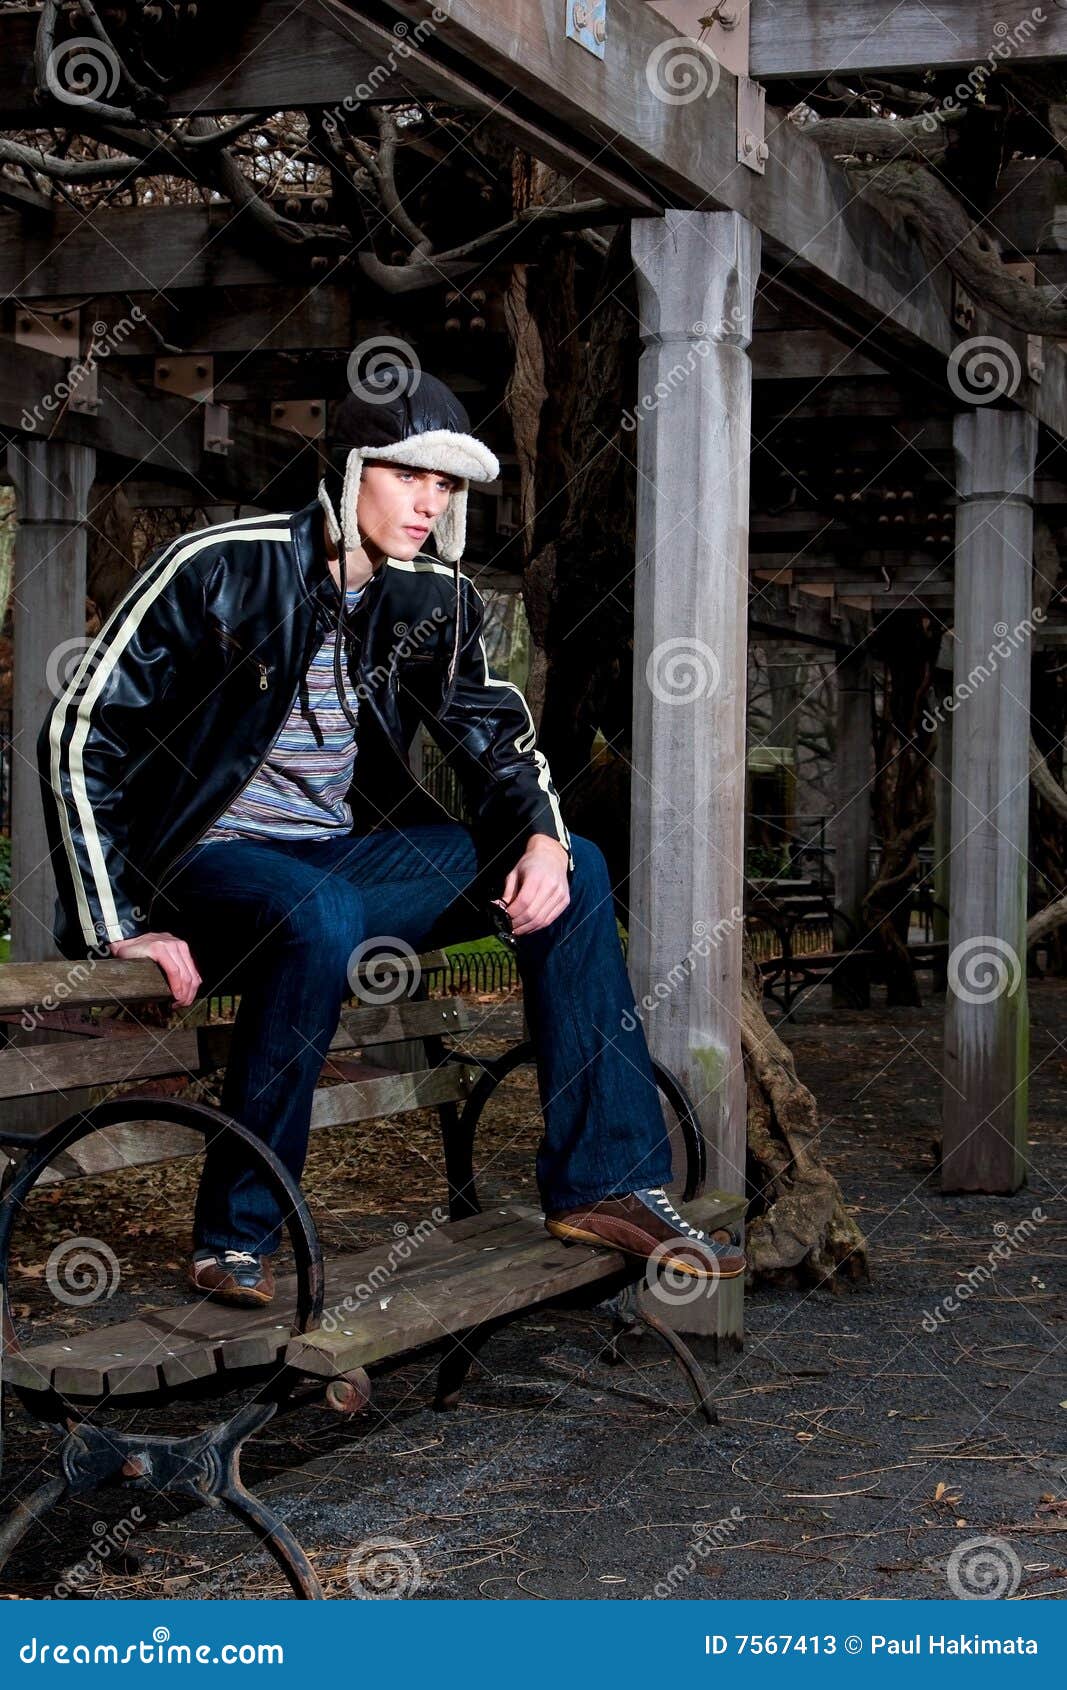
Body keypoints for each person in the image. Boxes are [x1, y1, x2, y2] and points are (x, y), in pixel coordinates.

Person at [38, 365, 745, 1307]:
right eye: (408, 475)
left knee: (576, 864)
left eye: (444, 485)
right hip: (209, 871)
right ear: (348, 468)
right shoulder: (220, 564)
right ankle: (237, 1233)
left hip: (335, 868)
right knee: (320, 909)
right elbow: (82, 731)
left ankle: (605, 1182)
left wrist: (539, 840)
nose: (428, 503)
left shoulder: (430, 599)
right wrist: (118, 922)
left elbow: (496, 740)